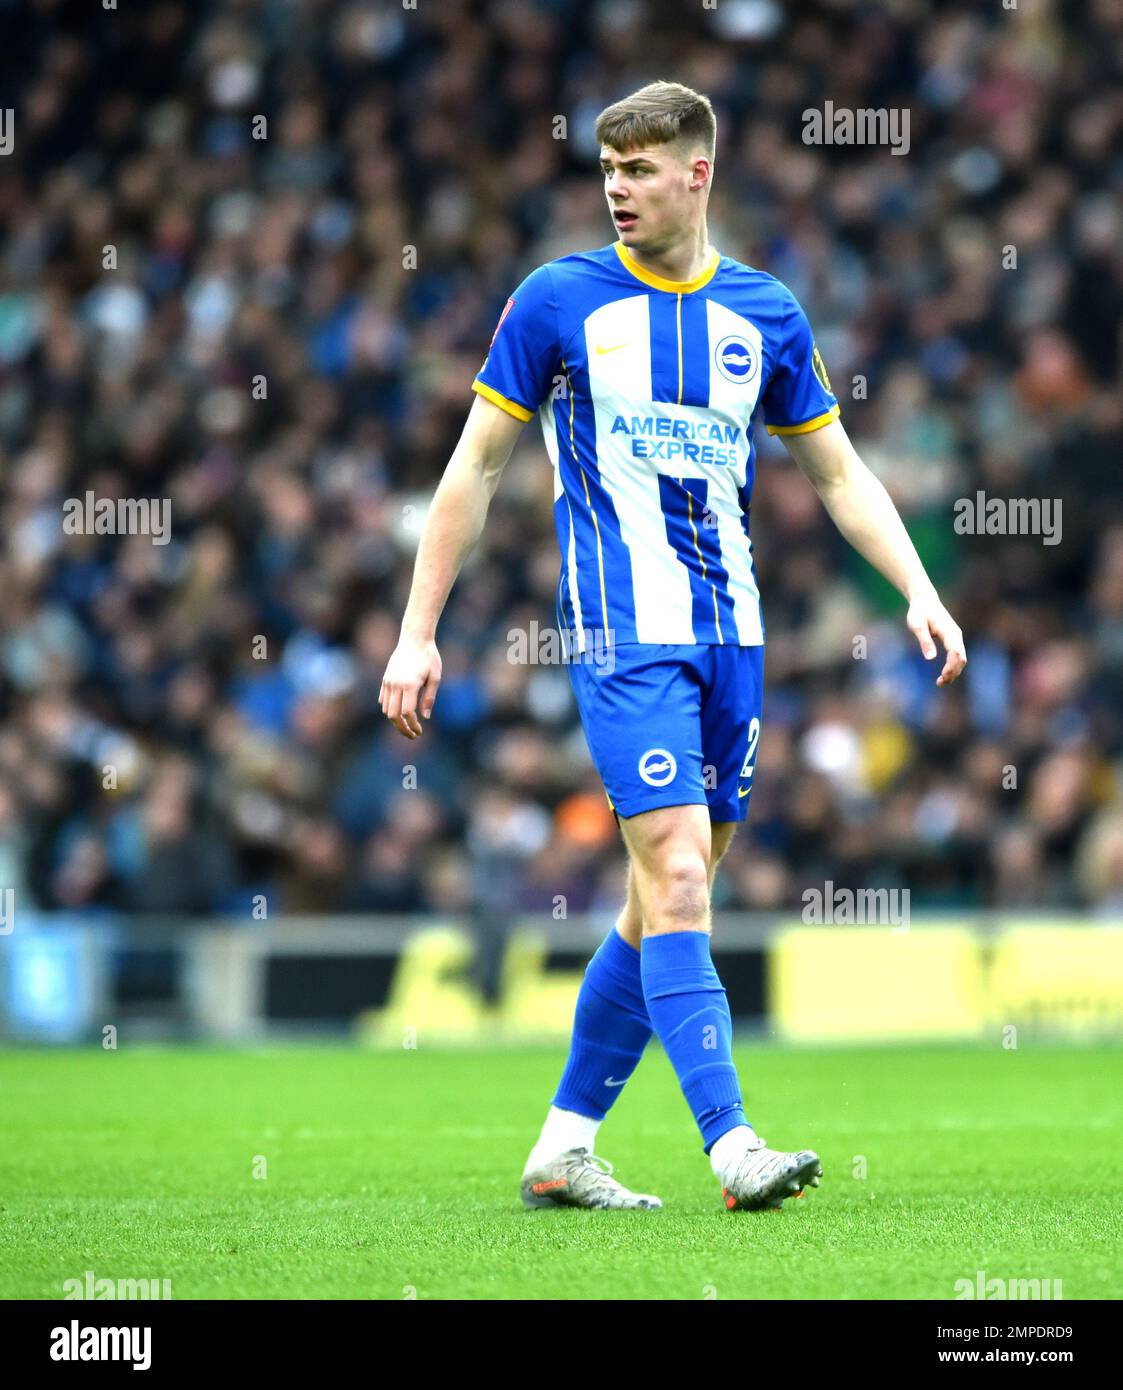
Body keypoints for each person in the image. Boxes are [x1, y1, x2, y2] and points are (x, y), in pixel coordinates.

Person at [380, 80, 967, 1212]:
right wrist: (417, 632)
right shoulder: (558, 300)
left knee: (658, 904)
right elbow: (476, 469)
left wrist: (916, 586)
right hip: (617, 634)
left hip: (732, 639)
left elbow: (836, 472)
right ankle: (731, 1143)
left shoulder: (766, 313)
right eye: (607, 170)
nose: (617, 190)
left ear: (697, 174)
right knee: (683, 871)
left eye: (640, 170)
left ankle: (561, 1146)